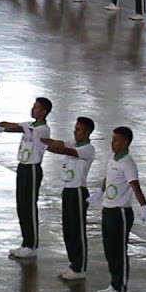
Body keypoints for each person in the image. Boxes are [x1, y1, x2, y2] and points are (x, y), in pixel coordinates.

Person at [97, 126, 146, 292]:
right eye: (112, 139)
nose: (112, 143)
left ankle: (120, 287)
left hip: (120, 212)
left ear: (125, 142)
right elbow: (107, 178)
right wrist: (100, 192)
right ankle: (114, 283)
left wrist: (144, 206)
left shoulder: (128, 164)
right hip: (108, 209)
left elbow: (135, 186)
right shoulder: (113, 159)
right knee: (109, 249)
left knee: (119, 250)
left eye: (116, 140)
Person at [0, 97, 53, 258]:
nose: (33, 109)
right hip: (23, 167)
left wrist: (11, 128)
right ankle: (25, 242)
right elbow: (12, 125)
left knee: (29, 205)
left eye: (37, 108)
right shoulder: (31, 124)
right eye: (33, 106)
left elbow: (18, 128)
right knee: (21, 204)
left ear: (44, 112)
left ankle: (32, 244)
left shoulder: (42, 129)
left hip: (32, 169)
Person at [44, 116, 96, 280]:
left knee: (77, 230)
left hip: (78, 192)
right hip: (67, 190)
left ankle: (80, 267)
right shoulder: (73, 142)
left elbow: (65, 150)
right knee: (68, 229)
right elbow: (56, 144)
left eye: (78, 129)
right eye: (75, 129)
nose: (75, 132)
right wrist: (41, 140)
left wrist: (50, 145)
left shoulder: (88, 149)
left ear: (87, 132)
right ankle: (73, 263)